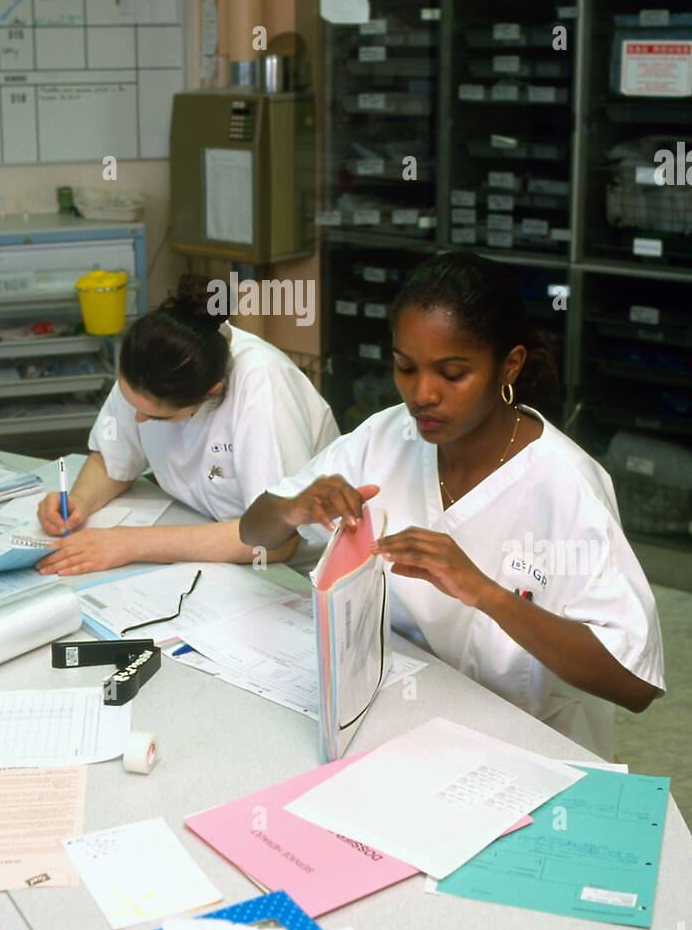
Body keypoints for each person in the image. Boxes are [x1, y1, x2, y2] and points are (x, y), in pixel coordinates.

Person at [240, 251, 666, 761]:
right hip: (400, 720)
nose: (422, 394)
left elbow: (636, 685)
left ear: (509, 364)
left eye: (453, 373)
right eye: (405, 366)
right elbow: (253, 533)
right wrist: (293, 507)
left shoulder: (566, 485)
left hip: (527, 750)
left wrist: (487, 593)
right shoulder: (385, 437)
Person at [37, 281, 339, 576]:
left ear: (211, 393)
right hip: (207, 542)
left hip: (294, 574)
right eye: (133, 408)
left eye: (157, 418)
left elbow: (276, 541)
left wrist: (130, 543)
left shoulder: (261, 385)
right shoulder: (148, 366)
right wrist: (80, 500)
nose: (138, 421)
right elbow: (112, 458)